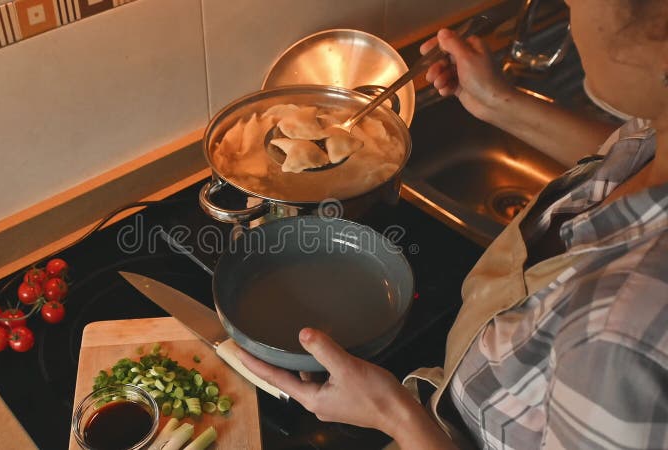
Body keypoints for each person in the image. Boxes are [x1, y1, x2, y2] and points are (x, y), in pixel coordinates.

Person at [237, 1, 668, 448]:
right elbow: (620, 156)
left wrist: (391, 413)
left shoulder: (623, 332)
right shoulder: (659, 135)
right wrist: (500, 104)